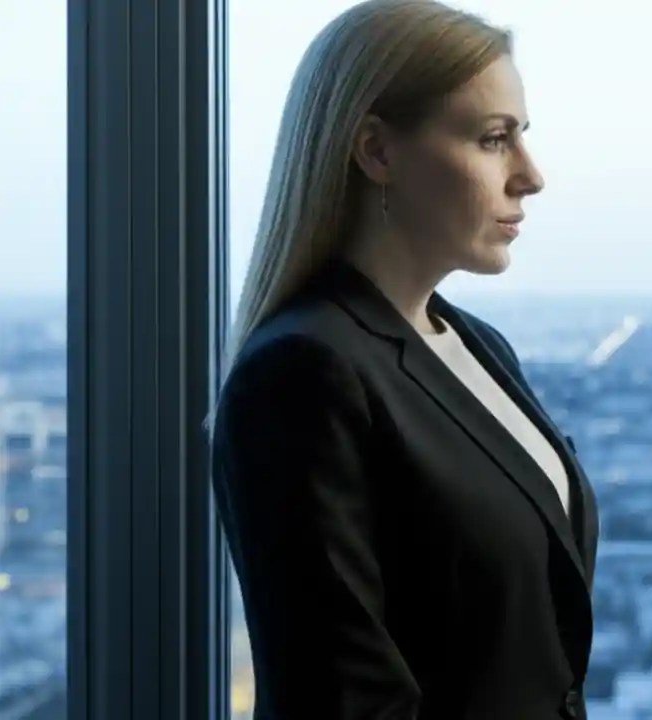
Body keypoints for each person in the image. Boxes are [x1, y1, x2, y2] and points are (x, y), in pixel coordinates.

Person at [209, 1, 598, 717]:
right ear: (377, 151)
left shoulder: (477, 344)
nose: (531, 175)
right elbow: (343, 699)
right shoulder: (301, 373)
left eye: (523, 138)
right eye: (492, 140)